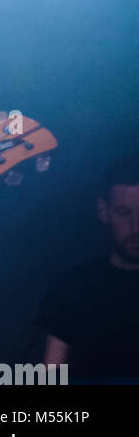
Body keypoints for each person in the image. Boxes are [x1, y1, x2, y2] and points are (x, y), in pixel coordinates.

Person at [36, 152, 139, 383]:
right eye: (124, 213)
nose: (136, 227)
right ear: (103, 211)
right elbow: (51, 373)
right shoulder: (72, 287)